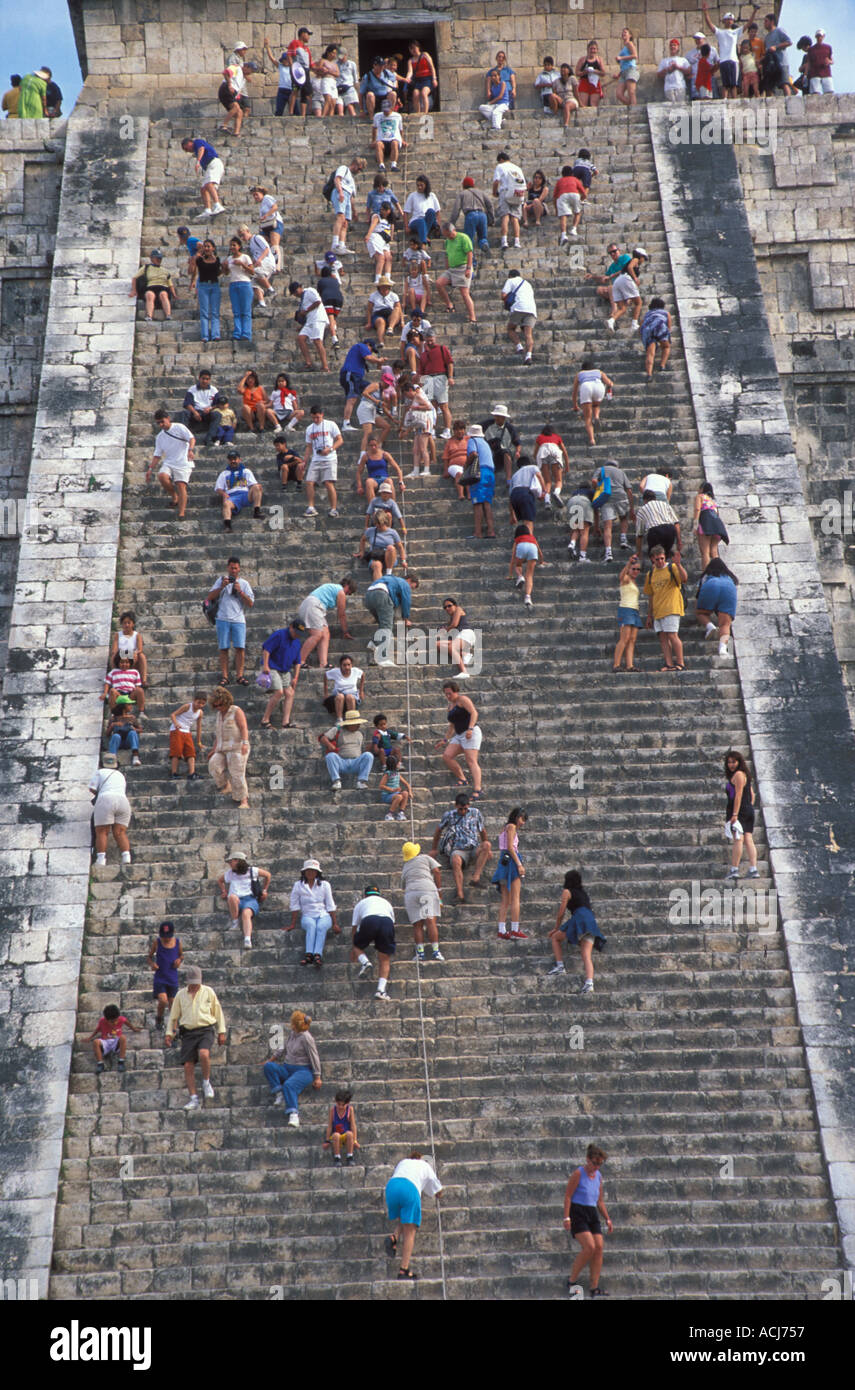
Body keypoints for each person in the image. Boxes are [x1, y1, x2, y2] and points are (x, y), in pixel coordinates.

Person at [165, 965, 227, 1111]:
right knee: (188, 1065)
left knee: (204, 1053)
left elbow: (218, 1012)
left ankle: (206, 1082)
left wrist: (221, 1031)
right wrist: (169, 1033)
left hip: (205, 1029)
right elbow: (174, 1016)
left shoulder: (208, 992)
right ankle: (193, 1097)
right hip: (187, 1032)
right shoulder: (180, 995)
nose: (194, 985)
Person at [563, 1146, 613, 1296]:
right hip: (578, 1212)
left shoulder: (598, 1176)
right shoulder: (578, 1174)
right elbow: (567, 1196)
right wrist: (566, 1217)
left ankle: (594, 1287)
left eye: (599, 1164)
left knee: (599, 1247)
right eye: (594, 1163)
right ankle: (571, 1280)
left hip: (592, 1212)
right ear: (587, 1160)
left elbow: (600, 1201)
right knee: (589, 1247)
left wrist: (607, 1219)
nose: (596, 1167)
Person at [385, 1151, 443, 1280]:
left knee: (405, 1217)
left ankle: (393, 1238)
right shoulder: (426, 1166)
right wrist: (439, 1194)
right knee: (410, 1231)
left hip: (391, 1186)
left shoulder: (403, 1162)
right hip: (409, 1188)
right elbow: (438, 1191)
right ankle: (403, 1270)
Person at [263, 1010, 322, 1126]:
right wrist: (271, 1060)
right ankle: (279, 1093)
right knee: (269, 1067)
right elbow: (283, 1048)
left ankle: (293, 1114)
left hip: (303, 1071)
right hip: (287, 1068)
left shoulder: (306, 1038)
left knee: (289, 1085)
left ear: (295, 1024)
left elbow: (314, 1057)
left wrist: (317, 1077)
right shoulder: (292, 1033)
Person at [431, 791, 492, 903]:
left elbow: (482, 830)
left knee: (487, 845)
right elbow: (438, 830)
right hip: (458, 849)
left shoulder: (476, 813)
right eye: (460, 809)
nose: (463, 811)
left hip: (473, 847)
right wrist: (434, 848)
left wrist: (486, 847)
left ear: (468, 805)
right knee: (455, 859)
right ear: (456, 806)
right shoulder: (449, 815)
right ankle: (460, 894)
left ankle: (476, 878)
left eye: (465, 809)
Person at [206, 556, 254, 684]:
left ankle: (240, 676)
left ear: (239, 569)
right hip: (222, 618)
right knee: (224, 648)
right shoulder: (221, 581)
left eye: (236, 568)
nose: (233, 571)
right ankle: (225, 676)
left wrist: (241, 592)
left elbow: (250, 603)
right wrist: (222, 587)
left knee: (240, 648)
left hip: (238, 619)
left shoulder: (244, 584)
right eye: (232, 568)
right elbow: (209, 597)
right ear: (228, 568)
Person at [287, 859, 340, 968]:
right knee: (311, 926)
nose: (310, 873)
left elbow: (330, 904)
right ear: (304, 872)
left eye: (313, 871)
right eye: (308, 871)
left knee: (321, 927)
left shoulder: (325, 885)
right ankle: (309, 954)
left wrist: (335, 923)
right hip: (307, 915)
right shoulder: (298, 885)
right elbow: (295, 905)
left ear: (317, 873)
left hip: (323, 915)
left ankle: (317, 955)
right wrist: (292, 924)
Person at [644, 546, 688, 672]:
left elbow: (684, 579)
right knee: (663, 638)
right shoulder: (650, 574)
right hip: (658, 610)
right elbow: (651, 595)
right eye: (657, 559)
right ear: (652, 559)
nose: (660, 562)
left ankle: (680, 663)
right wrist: (649, 615)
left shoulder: (672, 568)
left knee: (673, 635)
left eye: (662, 558)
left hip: (672, 607)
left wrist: (679, 565)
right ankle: (669, 664)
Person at [296, 578, 355, 668]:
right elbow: (341, 614)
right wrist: (345, 631)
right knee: (316, 634)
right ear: (346, 586)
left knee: (325, 633)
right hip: (313, 606)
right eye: (349, 592)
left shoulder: (334, 588)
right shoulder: (340, 591)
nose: (347, 594)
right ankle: (300, 661)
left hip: (313, 606)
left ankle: (323, 663)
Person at [401, 842, 444, 963]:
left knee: (417, 925)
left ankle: (420, 953)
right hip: (427, 890)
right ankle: (436, 951)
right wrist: (439, 890)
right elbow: (436, 871)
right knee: (430, 921)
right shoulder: (426, 858)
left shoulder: (405, 866)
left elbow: (403, 885)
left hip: (411, 893)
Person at [351, 884, 397, 999]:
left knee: (357, 945)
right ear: (379, 894)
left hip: (369, 919)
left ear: (365, 895)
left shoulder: (361, 904)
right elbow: (392, 921)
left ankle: (365, 962)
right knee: (384, 958)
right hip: (387, 922)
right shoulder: (386, 903)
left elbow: (354, 926)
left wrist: (354, 946)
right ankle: (381, 991)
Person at [147, 408, 194, 520]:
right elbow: (157, 454)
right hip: (169, 462)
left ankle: (181, 512)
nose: (161, 424)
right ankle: (174, 496)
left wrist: (190, 450)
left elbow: (191, 438)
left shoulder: (179, 427)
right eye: (158, 423)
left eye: (162, 421)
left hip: (183, 462)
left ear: (168, 419)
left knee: (181, 485)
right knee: (162, 476)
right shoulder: (160, 437)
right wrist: (150, 469)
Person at [701, 4, 757, 98]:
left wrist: (754, 12)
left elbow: (748, 24)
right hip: (723, 61)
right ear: (724, 21)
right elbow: (709, 24)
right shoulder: (720, 32)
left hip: (733, 60)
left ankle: (734, 101)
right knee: (725, 84)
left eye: (731, 19)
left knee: (734, 84)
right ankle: (725, 101)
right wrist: (706, 12)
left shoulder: (736, 32)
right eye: (728, 19)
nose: (730, 21)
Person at [207, 686, 250, 808]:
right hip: (222, 748)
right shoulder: (219, 715)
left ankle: (243, 800)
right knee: (213, 766)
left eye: (219, 705)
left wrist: (245, 743)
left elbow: (243, 728)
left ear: (225, 701)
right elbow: (218, 733)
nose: (218, 708)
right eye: (215, 706)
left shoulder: (236, 710)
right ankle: (226, 785)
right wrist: (213, 749)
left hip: (236, 746)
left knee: (237, 773)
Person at [437, 681, 482, 795]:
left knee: (471, 761)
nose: (448, 696)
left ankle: (477, 789)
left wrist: (470, 729)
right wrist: (445, 740)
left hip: (471, 732)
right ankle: (462, 778)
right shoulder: (450, 706)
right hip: (459, 735)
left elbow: (474, 713)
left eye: (450, 693)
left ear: (456, 691)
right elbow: (452, 726)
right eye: (446, 694)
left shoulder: (463, 700)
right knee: (447, 756)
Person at [219, 848, 270, 948]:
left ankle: (247, 939)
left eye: (231, 861)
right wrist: (224, 891)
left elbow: (268, 875)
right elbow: (220, 881)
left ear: (237, 861)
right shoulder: (230, 873)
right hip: (236, 899)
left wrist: (265, 890)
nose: (229, 863)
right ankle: (235, 921)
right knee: (232, 897)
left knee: (246, 914)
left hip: (250, 899)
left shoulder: (252, 871)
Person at [364, 573, 418, 665]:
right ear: (409, 580)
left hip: (368, 597)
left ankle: (374, 642)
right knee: (387, 626)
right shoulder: (404, 583)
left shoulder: (389, 578)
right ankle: (382, 658)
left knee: (383, 623)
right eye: (412, 587)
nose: (410, 589)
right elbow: (406, 601)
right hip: (381, 595)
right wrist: (405, 618)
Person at [492, 807, 528, 940]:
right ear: (516, 817)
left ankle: (502, 930)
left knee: (505, 900)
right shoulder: (512, 827)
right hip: (511, 862)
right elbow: (510, 848)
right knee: (515, 898)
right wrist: (519, 864)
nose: (523, 822)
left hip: (503, 863)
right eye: (522, 819)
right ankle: (514, 929)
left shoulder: (505, 827)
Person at [301, 403, 343, 518]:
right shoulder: (309, 429)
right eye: (313, 417)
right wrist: (304, 461)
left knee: (328, 482)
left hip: (330, 458)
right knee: (309, 481)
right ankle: (311, 507)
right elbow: (308, 446)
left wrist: (330, 449)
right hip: (316, 458)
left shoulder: (331, 424)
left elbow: (340, 440)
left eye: (317, 417)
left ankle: (333, 509)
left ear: (322, 415)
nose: (315, 419)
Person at [259, 622, 303, 729]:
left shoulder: (297, 642)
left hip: (285, 670)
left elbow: (297, 662)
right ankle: (265, 720)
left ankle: (285, 722)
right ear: (291, 627)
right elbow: (266, 649)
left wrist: (296, 677)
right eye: (295, 632)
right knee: (279, 692)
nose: (296, 635)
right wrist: (265, 665)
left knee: (290, 693)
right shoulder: (279, 635)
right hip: (272, 667)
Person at [723, 750, 759, 879]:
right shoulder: (746, 775)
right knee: (748, 838)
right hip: (748, 810)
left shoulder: (738, 775)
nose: (731, 765)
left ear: (739, 762)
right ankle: (753, 869)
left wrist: (735, 814)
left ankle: (734, 869)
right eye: (729, 762)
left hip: (739, 812)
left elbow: (738, 795)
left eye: (734, 762)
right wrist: (748, 807)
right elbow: (752, 795)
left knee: (738, 839)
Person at [320, 709, 373, 793]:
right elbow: (323, 738)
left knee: (368, 755)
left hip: (356, 762)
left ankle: (361, 781)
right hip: (342, 761)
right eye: (356, 723)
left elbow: (362, 749)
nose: (358, 725)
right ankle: (336, 781)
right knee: (330, 756)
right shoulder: (338, 730)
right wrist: (330, 745)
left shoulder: (360, 733)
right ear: (349, 724)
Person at [89, 761, 132, 867]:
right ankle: (126, 857)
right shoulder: (121, 775)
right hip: (123, 801)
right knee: (120, 832)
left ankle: (101, 860)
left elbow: (92, 788)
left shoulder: (100, 772)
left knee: (102, 832)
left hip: (106, 799)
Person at [340, 338, 387, 430]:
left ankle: (377, 409)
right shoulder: (361, 346)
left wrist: (379, 362)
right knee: (352, 398)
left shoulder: (360, 351)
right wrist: (378, 360)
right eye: (371, 349)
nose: (371, 352)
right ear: (368, 344)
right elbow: (369, 358)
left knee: (372, 388)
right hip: (351, 375)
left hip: (357, 378)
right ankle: (346, 423)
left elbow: (377, 365)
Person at [696, 557, 739, 658]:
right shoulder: (730, 577)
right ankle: (722, 648)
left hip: (710, 586)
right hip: (729, 589)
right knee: (725, 624)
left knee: (700, 613)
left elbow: (698, 594)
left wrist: (700, 608)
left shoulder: (706, 576)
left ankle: (710, 626)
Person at [592, 460, 634, 562]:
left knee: (607, 525)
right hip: (621, 496)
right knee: (623, 517)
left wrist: (598, 489)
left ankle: (608, 552)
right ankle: (623, 539)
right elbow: (629, 490)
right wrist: (632, 508)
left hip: (606, 497)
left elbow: (593, 481)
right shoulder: (621, 472)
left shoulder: (601, 469)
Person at [86, 1004, 141, 1075]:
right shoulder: (102, 1021)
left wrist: (134, 1029)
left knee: (123, 1038)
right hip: (105, 1042)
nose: (115, 1023)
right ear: (106, 1019)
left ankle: (121, 1061)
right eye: (112, 1022)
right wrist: (90, 1037)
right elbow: (97, 1029)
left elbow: (127, 1023)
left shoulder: (121, 1019)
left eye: (116, 1020)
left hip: (116, 1042)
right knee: (96, 1042)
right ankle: (100, 1064)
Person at [436, 224, 476, 324]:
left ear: (452, 230)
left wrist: (468, 268)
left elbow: (470, 253)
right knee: (439, 283)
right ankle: (449, 304)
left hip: (463, 267)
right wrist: (447, 266)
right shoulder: (447, 241)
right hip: (452, 269)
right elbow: (447, 254)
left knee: (464, 293)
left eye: (448, 234)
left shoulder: (463, 238)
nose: (448, 237)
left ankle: (472, 317)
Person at [148, 922, 183, 1030]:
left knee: (173, 1005)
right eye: (164, 936)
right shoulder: (157, 943)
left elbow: (181, 955)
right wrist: (152, 964)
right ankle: (159, 1017)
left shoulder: (177, 943)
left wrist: (179, 960)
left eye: (168, 937)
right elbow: (149, 957)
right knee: (163, 1000)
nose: (166, 939)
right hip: (160, 977)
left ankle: (174, 1030)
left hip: (172, 977)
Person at [289, 280, 330, 372]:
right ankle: (308, 362)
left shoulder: (309, 291)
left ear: (300, 288)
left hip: (318, 318)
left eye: (296, 292)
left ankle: (325, 366)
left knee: (317, 341)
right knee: (301, 338)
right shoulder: (303, 300)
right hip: (310, 321)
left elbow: (318, 302)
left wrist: (306, 310)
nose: (296, 294)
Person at [448, 177, 493, 260]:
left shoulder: (462, 194)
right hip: (482, 215)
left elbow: (456, 210)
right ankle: (484, 244)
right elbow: (490, 204)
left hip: (470, 216)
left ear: (463, 185)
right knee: (482, 236)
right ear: (473, 185)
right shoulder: (481, 192)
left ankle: (472, 261)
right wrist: (491, 218)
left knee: (469, 240)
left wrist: (452, 223)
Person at [180, 136, 226, 218]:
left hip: (214, 163)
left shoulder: (197, 142)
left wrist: (198, 161)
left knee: (209, 184)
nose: (187, 151)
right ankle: (207, 209)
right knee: (203, 189)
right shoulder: (196, 151)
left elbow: (201, 149)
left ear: (189, 143)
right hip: (209, 167)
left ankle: (217, 205)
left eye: (186, 148)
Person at [605, 247, 648, 332]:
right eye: (644, 258)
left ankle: (611, 321)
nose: (643, 260)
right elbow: (629, 267)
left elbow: (620, 272)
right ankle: (634, 324)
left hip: (618, 281)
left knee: (622, 308)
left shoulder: (630, 262)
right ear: (641, 256)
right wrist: (635, 278)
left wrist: (611, 277)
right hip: (626, 279)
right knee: (639, 303)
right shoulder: (635, 259)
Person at [236, 223, 276, 314]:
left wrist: (259, 260)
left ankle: (271, 290)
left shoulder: (257, 238)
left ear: (247, 231)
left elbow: (266, 249)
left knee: (254, 272)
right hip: (261, 264)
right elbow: (256, 256)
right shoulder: (251, 244)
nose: (242, 238)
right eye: (240, 236)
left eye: (243, 235)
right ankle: (262, 303)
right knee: (253, 283)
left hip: (267, 261)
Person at [465, 424, 496, 539]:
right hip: (490, 473)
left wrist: (466, 466)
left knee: (477, 502)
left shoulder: (472, 441)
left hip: (480, 473)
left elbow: (473, 454)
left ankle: (478, 532)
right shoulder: (485, 443)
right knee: (487, 503)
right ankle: (490, 531)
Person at [572, 363, 614, 446]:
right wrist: (608, 389)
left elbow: (575, 392)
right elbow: (610, 383)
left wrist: (575, 405)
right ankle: (597, 417)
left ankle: (592, 439)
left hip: (586, 386)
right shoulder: (599, 372)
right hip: (598, 385)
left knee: (587, 418)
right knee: (596, 405)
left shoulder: (579, 374)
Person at [613, 554, 643, 672]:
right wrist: (628, 563)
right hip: (626, 609)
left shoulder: (634, 582)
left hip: (634, 610)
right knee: (624, 638)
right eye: (634, 569)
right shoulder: (626, 579)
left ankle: (629, 665)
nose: (636, 571)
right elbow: (621, 576)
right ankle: (616, 664)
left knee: (632, 639)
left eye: (638, 569)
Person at [330, 157, 365, 255]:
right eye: (359, 169)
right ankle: (335, 244)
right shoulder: (344, 168)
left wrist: (354, 211)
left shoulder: (352, 180)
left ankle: (341, 245)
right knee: (340, 217)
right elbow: (337, 179)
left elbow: (351, 196)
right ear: (355, 165)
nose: (359, 171)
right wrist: (340, 192)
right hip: (340, 193)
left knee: (345, 222)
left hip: (348, 196)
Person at [221, 236, 254, 342]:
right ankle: (237, 333)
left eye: (234, 245)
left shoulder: (245, 257)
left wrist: (242, 264)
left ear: (239, 246)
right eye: (231, 245)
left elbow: (252, 271)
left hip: (245, 284)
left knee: (246, 311)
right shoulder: (229, 259)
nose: (232, 247)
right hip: (233, 284)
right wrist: (224, 267)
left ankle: (246, 334)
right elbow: (226, 273)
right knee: (236, 311)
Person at [436, 597, 477, 680]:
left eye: (449, 606)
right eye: (445, 607)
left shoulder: (458, 609)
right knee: (437, 645)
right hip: (459, 637)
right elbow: (448, 627)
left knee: (451, 647)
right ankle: (465, 654)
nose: (447, 608)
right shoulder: (451, 618)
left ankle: (464, 672)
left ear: (455, 605)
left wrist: (445, 630)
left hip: (467, 634)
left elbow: (454, 624)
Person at [130, 249, 176, 323]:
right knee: (149, 294)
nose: (159, 259)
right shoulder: (146, 268)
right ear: (151, 258)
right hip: (151, 288)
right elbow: (135, 278)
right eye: (157, 257)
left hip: (162, 288)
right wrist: (134, 290)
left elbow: (170, 284)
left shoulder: (165, 271)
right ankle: (149, 316)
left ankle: (168, 315)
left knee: (163, 294)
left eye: (160, 258)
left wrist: (174, 294)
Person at [492, 152, 526, 250]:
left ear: (501, 159)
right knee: (515, 218)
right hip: (517, 193)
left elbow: (496, 181)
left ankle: (504, 241)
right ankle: (517, 241)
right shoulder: (517, 168)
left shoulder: (500, 166)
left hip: (505, 192)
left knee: (505, 216)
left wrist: (494, 192)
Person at [508, 521, 545, 609]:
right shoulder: (532, 538)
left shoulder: (517, 540)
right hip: (532, 548)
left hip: (521, 546)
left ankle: (520, 576)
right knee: (529, 575)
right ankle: (528, 597)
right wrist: (541, 561)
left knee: (518, 565)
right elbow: (540, 552)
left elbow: (513, 559)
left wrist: (510, 575)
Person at [502, 270, 536, 365]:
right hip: (531, 310)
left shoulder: (510, 281)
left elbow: (503, 295)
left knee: (510, 329)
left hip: (519, 307)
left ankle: (519, 347)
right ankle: (528, 356)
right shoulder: (528, 284)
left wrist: (508, 301)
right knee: (528, 335)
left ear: (510, 276)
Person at [635, 491, 682, 559]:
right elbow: (676, 523)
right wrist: (679, 541)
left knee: (654, 556)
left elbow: (639, 534)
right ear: (655, 498)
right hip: (670, 529)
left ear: (644, 500)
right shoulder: (665, 504)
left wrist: (639, 552)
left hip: (655, 531)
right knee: (665, 555)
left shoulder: (642, 510)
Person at [169, 693, 206, 779]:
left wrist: (199, 741)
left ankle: (192, 773)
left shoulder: (200, 713)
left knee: (191, 752)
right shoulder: (187, 706)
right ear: (194, 700)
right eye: (198, 702)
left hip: (187, 731)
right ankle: (174, 773)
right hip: (177, 730)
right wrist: (176, 724)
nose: (200, 705)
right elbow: (173, 715)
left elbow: (199, 727)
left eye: (202, 703)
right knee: (176, 752)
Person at [693, 481, 729, 566]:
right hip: (717, 526)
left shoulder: (700, 496)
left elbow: (697, 509)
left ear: (701, 489)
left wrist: (695, 525)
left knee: (705, 552)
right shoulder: (713, 501)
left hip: (706, 523)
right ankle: (718, 572)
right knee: (714, 552)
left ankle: (706, 575)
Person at [110, 611, 148, 690]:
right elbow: (114, 649)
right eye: (124, 623)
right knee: (113, 656)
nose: (126, 625)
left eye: (129, 623)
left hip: (133, 656)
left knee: (142, 656)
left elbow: (140, 649)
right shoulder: (118, 635)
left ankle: (143, 680)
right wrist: (121, 655)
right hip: (121, 656)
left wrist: (134, 653)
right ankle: (114, 678)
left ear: (133, 624)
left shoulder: (137, 635)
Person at [534, 424, 569, 510]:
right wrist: (567, 465)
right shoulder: (557, 437)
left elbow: (534, 453)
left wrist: (539, 464)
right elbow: (564, 452)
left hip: (543, 453)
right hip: (555, 452)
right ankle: (556, 493)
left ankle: (547, 500)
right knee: (558, 480)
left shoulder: (540, 437)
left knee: (547, 482)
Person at [193, 238, 222, 342]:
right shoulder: (200, 260)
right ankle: (205, 336)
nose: (206, 248)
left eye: (208, 246)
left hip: (214, 286)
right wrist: (197, 255)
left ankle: (215, 335)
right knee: (204, 312)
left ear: (213, 248)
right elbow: (193, 270)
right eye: (205, 246)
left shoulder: (217, 260)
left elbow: (218, 273)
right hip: (203, 286)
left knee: (215, 312)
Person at [248, 185, 283, 270]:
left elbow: (275, 207)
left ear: (262, 193)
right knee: (262, 241)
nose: (255, 197)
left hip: (274, 223)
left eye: (256, 194)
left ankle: (277, 266)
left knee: (275, 244)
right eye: (254, 195)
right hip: (266, 226)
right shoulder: (262, 204)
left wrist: (266, 215)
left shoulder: (267, 198)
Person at [552, 165, 587, 244]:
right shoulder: (575, 179)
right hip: (575, 194)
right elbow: (584, 193)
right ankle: (574, 228)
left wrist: (556, 210)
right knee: (577, 212)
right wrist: (581, 200)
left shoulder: (560, 181)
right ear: (572, 173)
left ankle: (564, 235)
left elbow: (554, 197)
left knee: (563, 216)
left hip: (563, 195)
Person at [323, 655, 365, 720]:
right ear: (341, 665)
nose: (347, 667)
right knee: (340, 696)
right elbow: (326, 675)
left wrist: (361, 691)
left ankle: (351, 719)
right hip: (338, 694)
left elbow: (362, 674)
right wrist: (326, 693)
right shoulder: (336, 671)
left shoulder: (355, 671)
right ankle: (339, 718)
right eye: (344, 665)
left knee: (349, 697)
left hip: (352, 695)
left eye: (348, 665)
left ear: (351, 665)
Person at [104, 697, 142, 768]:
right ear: (123, 706)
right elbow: (107, 734)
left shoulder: (132, 717)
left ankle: (135, 756)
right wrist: (113, 725)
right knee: (116, 736)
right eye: (129, 705)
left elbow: (140, 730)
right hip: (118, 742)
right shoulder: (114, 719)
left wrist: (134, 729)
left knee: (132, 733)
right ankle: (113, 757)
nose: (131, 706)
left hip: (128, 741)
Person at [182, 368, 218, 439]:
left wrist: (210, 408)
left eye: (207, 379)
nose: (205, 381)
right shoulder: (192, 389)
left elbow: (218, 404)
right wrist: (195, 412)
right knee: (185, 413)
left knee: (217, 415)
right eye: (203, 378)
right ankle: (184, 436)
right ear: (199, 378)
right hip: (196, 412)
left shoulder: (214, 390)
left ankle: (210, 438)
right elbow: (187, 404)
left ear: (209, 380)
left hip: (208, 412)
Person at [366, 275, 402, 346]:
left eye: (385, 286)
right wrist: (369, 322)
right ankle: (381, 341)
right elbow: (369, 310)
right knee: (380, 321)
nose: (384, 288)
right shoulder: (373, 296)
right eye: (382, 286)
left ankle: (390, 328)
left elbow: (399, 309)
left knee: (397, 309)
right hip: (378, 314)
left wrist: (402, 321)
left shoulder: (394, 295)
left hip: (390, 314)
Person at [324, 1089, 359, 1164]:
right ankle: (337, 1157)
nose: (340, 1107)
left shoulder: (350, 1110)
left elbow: (353, 1125)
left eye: (342, 1105)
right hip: (336, 1136)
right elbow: (330, 1126)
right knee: (336, 1135)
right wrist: (327, 1140)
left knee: (350, 1134)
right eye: (338, 1104)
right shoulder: (333, 1110)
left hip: (345, 1135)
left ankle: (350, 1156)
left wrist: (355, 1140)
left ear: (347, 1103)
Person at [509, 455, 546, 524]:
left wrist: (512, 515)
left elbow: (510, 497)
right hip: (525, 493)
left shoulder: (514, 475)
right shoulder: (532, 467)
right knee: (528, 521)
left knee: (522, 520)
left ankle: (522, 533)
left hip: (514, 495)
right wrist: (544, 492)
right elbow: (539, 476)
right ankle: (528, 534)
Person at [640, 298, 672, 378]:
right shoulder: (665, 313)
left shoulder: (648, 313)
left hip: (648, 330)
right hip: (660, 327)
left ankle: (649, 374)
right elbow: (669, 327)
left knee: (650, 353)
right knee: (666, 347)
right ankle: (662, 365)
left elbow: (642, 324)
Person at [365, 198, 395, 280]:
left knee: (389, 258)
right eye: (382, 210)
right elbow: (373, 225)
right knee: (381, 258)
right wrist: (368, 234)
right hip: (376, 237)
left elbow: (391, 232)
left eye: (384, 210)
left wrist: (390, 242)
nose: (383, 212)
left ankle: (387, 278)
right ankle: (378, 279)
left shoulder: (390, 220)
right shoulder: (377, 216)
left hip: (385, 241)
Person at [404, 40, 437, 113]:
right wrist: (407, 78)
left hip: (427, 79)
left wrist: (434, 79)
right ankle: (418, 113)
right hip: (418, 80)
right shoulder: (410, 60)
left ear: (418, 47)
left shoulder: (425, 55)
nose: (413, 50)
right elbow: (410, 71)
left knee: (424, 93)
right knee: (415, 94)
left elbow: (432, 67)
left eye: (414, 48)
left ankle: (425, 113)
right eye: (411, 49)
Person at [372, 97, 405, 171]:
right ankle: (381, 165)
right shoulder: (377, 116)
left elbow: (400, 129)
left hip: (393, 138)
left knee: (395, 143)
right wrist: (373, 140)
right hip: (382, 139)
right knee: (378, 144)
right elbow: (374, 128)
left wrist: (402, 140)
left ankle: (393, 165)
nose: (386, 112)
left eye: (387, 110)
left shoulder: (397, 116)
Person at [379, 752, 410, 821]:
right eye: (398, 763)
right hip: (387, 795)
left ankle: (401, 813)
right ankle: (389, 814)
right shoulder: (387, 774)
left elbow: (406, 783)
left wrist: (410, 792)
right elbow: (381, 786)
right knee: (399, 797)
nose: (399, 764)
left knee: (405, 793)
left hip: (395, 794)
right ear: (394, 765)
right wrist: (392, 790)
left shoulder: (397, 773)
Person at [575, 41, 607, 107]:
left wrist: (595, 71)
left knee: (594, 105)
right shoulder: (582, 59)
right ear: (588, 49)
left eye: (594, 49)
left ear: (597, 50)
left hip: (595, 83)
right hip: (584, 82)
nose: (592, 50)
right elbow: (577, 72)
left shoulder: (599, 60)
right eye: (591, 48)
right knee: (583, 104)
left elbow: (603, 73)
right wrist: (584, 72)